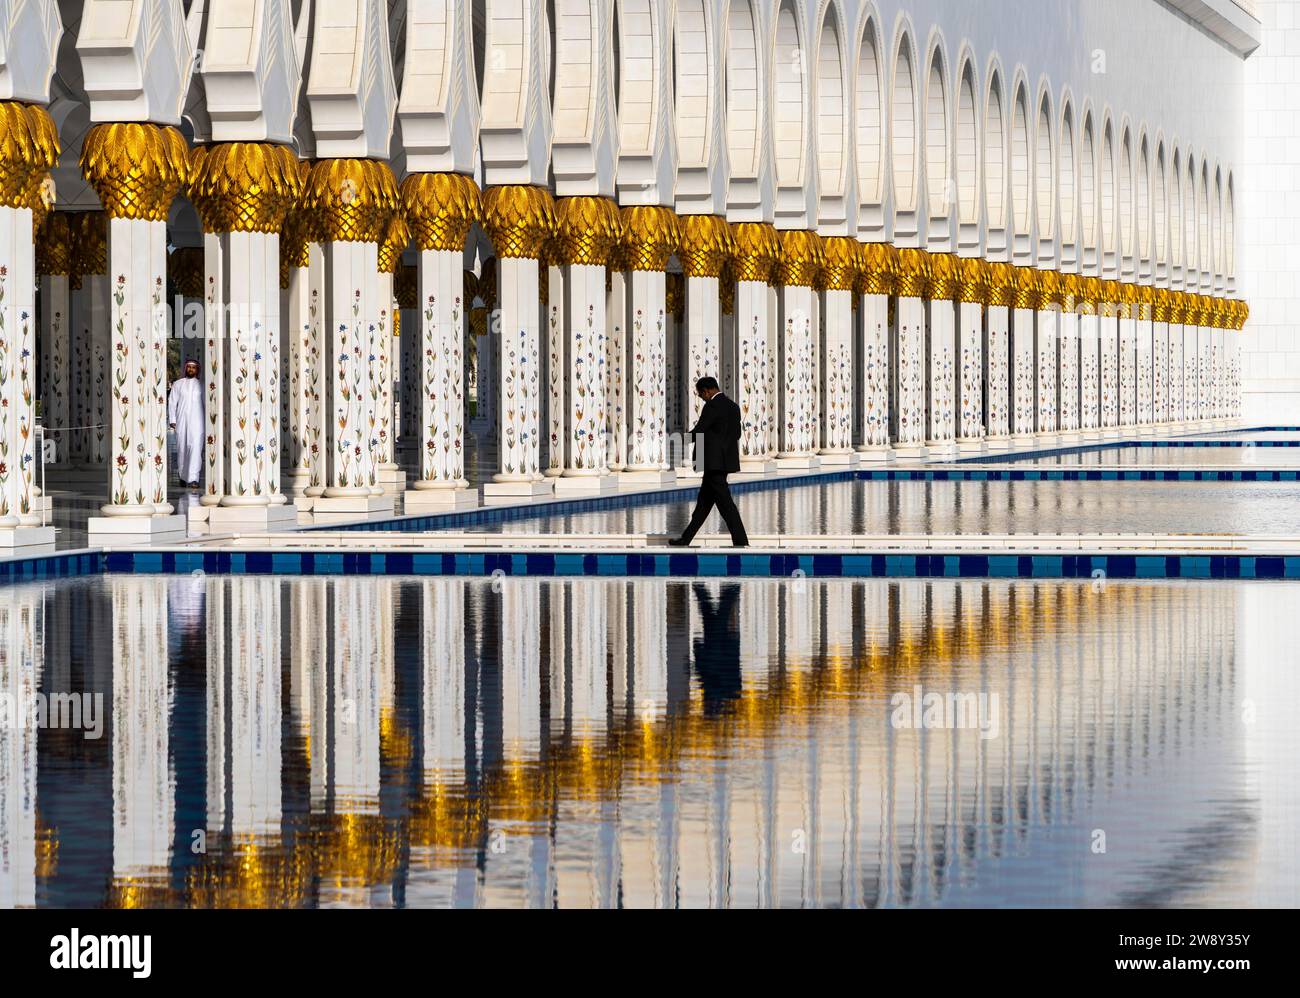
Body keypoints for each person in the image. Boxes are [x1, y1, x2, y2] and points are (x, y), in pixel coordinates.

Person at [670, 376, 749, 547]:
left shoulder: (712, 406)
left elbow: (700, 430)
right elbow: (737, 434)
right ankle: (685, 539)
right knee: (703, 505)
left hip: (713, 463)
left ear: (707, 391)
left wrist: (678, 440)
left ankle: (741, 542)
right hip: (724, 462)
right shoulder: (733, 406)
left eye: (700, 394)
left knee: (726, 505)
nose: (701, 397)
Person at [168, 358, 205, 488]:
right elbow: (172, 402)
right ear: (186, 369)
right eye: (189, 367)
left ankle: (194, 478)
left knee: (195, 448)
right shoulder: (178, 384)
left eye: (193, 367)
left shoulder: (202, 385)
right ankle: (183, 476)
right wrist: (172, 420)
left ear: (197, 370)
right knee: (182, 449)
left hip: (198, 421)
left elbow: (207, 404)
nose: (191, 369)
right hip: (181, 420)